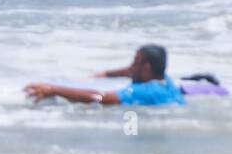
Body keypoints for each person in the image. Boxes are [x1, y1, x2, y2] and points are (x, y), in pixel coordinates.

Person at [24, 44, 188, 107]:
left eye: (135, 62)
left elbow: (100, 98)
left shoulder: (144, 91)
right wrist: (106, 74)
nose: (131, 67)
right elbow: (130, 71)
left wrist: (53, 89)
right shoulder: (166, 81)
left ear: (146, 68)